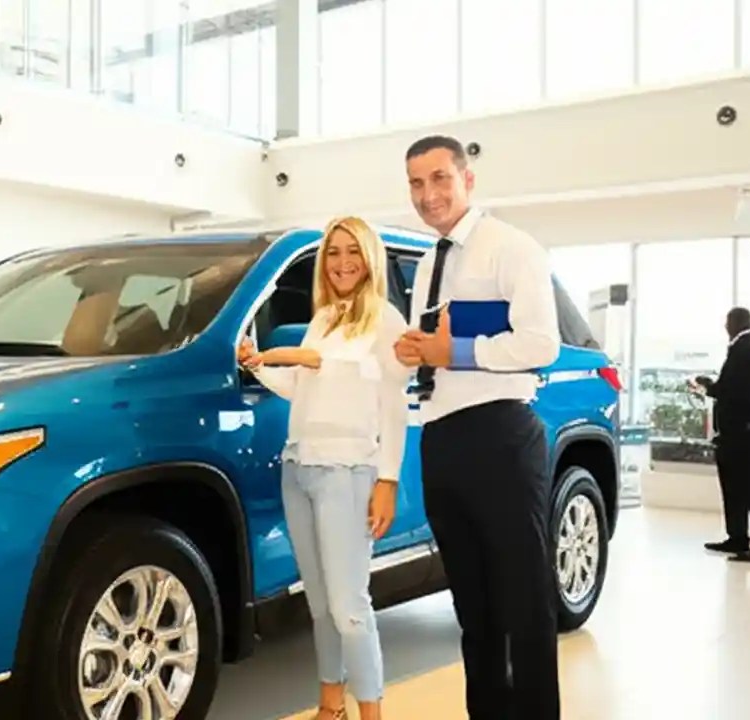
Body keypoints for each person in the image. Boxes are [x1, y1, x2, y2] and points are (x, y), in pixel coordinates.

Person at [392, 135, 562, 720]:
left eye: (439, 178)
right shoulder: (425, 263)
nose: (428, 194)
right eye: (416, 183)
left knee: (525, 604)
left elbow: (542, 342)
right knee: (473, 608)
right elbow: (438, 347)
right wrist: (417, 350)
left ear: (467, 180)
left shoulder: (510, 247)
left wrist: (453, 350)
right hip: (442, 438)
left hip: (501, 438)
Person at [237, 216, 413, 720]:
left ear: (370, 259)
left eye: (352, 252)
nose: (341, 263)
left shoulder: (384, 320)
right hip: (300, 469)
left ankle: (371, 714)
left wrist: (386, 480)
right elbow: (301, 387)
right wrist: (259, 365)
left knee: (349, 608)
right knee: (319, 605)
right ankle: (330, 706)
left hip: (347, 473)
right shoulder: (324, 319)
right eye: (333, 253)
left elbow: (393, 407)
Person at [691, 306, 750, 563]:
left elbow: (743, 393)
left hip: (741, 435)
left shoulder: (747, 351)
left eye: (728, 321)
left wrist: (710, 387)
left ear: (736, 323)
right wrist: (712, 387)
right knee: (735, 487)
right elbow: (733, 388)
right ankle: (738, 538)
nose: (725, 325)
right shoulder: (746, 348)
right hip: (738, 433)